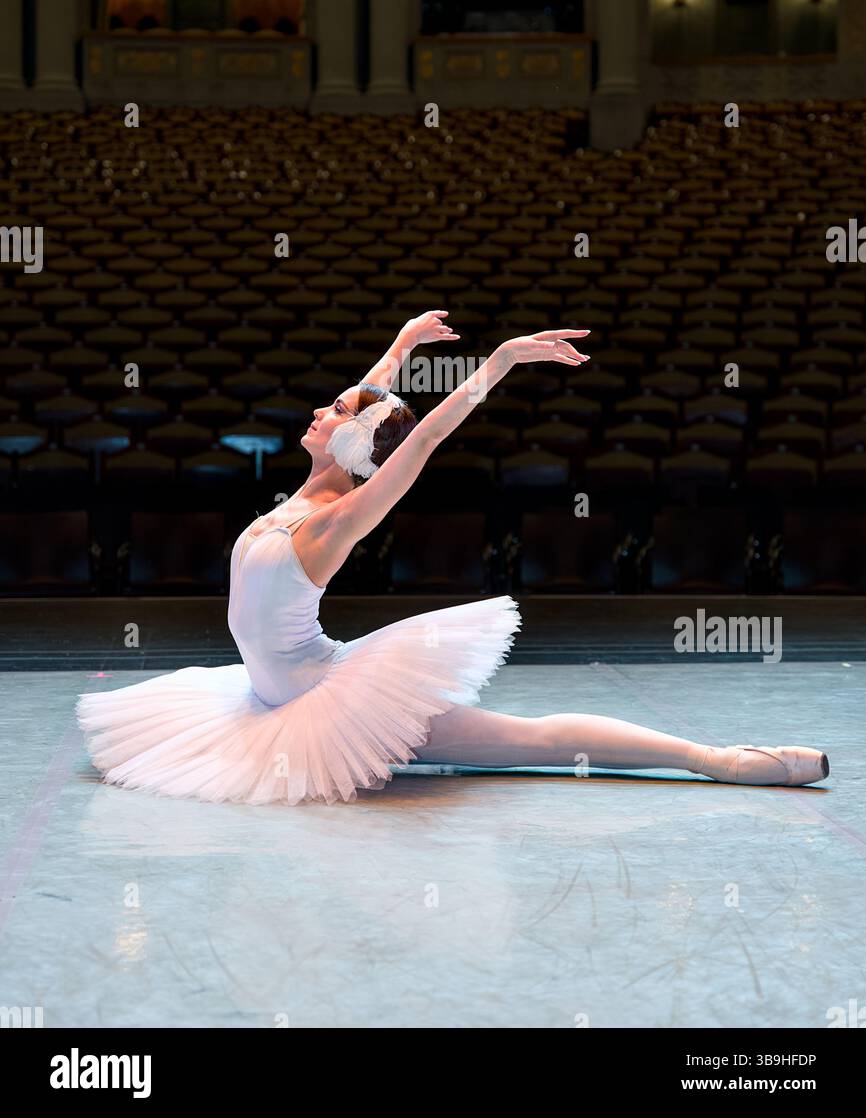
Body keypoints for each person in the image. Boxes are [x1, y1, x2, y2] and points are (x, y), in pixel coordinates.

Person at [78, 311, 830, 804]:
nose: (319, 410)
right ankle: (714, 757)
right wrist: (403, 345)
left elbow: (422, 437)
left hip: (333, 702)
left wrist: (498, 361)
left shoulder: (336, 520)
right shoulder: (309, 494)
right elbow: (374, 401)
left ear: (352, 445)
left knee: (531, 741)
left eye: (333, 412)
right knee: (522, 741)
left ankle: (719, 759)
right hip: (267, 697)